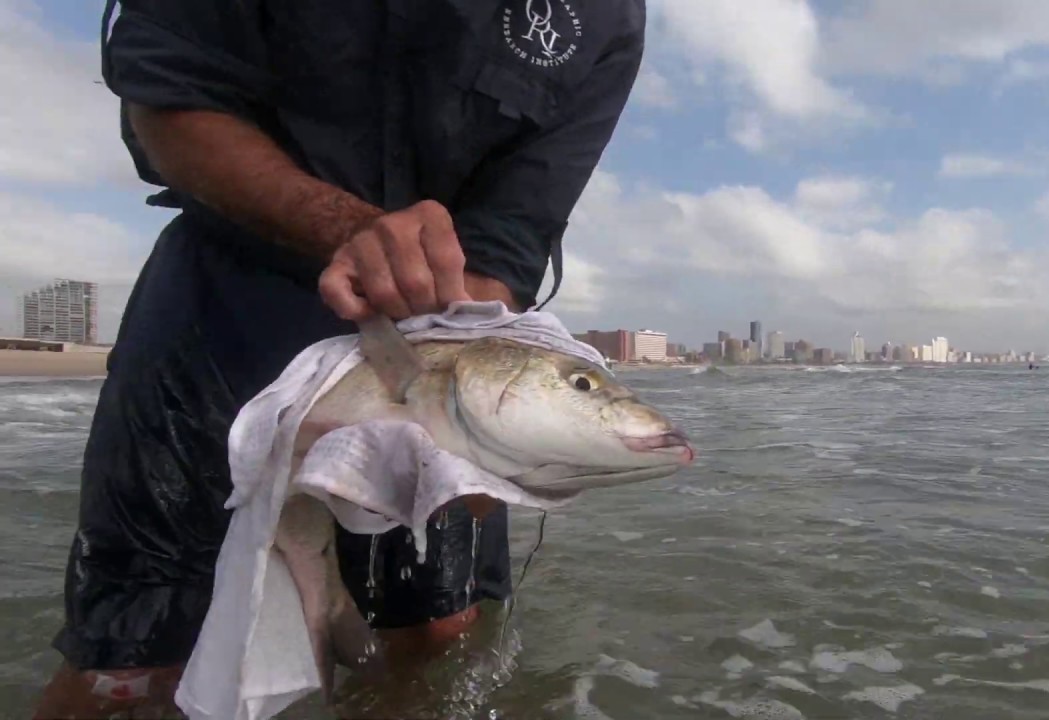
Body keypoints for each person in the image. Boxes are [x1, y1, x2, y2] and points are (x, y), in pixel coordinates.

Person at [33, 0, 644, 716]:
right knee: (133, 668)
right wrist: (350, 227)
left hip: (438, 329)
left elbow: (514, 227)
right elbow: (170, 100)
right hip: (225, 302)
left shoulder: (608, 20)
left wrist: (479, 436)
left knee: (436, 639)